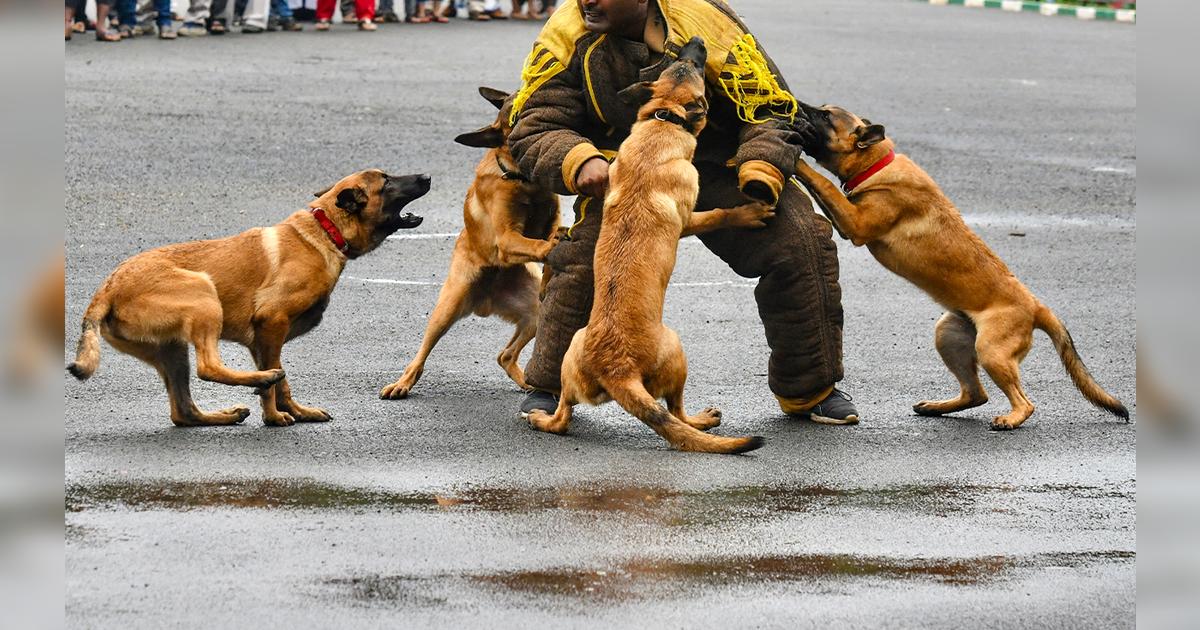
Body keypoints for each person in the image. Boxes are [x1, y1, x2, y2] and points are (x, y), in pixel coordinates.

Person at [507, 0, 859, 424]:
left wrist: (762, 165)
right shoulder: (566, 33)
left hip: (722, 165)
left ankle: (810, 389)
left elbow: (771, 108)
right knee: (583, 259)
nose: (587, 1)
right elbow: (533, 125)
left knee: (800, 239)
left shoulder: (706, 20)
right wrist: (578, 160)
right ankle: (551, 384)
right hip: (626, 168)